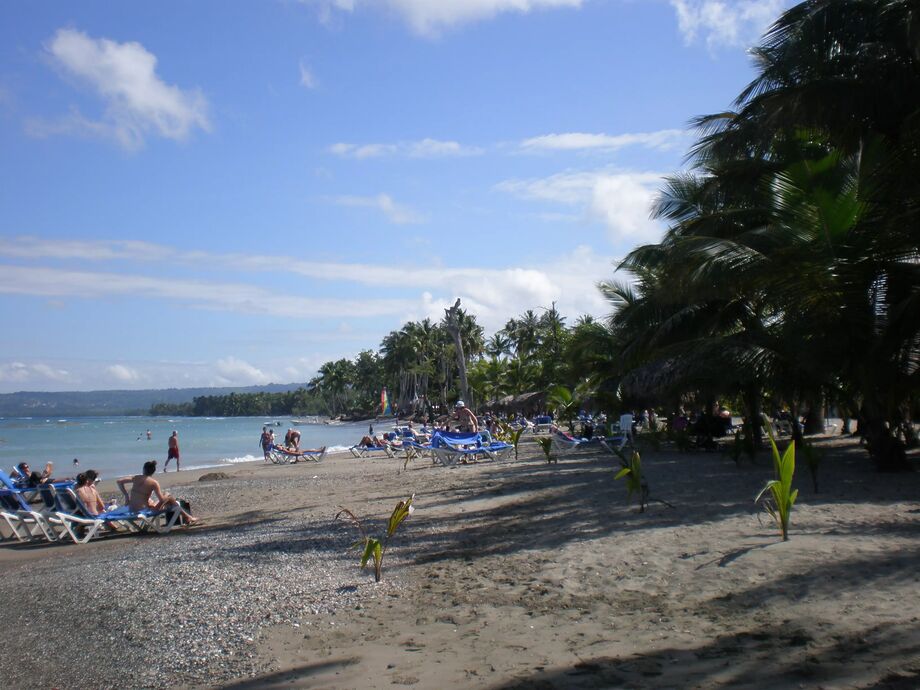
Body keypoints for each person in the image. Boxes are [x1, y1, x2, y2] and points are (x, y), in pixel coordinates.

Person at [117, 461, 197, 524]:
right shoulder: (153, 482)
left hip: (132, 509)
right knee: (168, 496)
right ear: (153, 472)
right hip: (144, 510)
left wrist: (127, 497)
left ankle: (187, 517)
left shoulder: (136, 478)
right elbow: (162, 500)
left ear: (144, 469)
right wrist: (161, 503)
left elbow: (119, 481)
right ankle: (187, 517)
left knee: (168, 500)